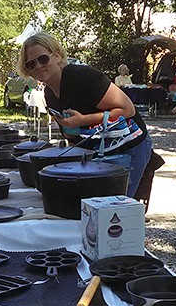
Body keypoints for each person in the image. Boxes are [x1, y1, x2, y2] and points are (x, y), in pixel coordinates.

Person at [17, 32, 153, 198]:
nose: (38, 66)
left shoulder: (83, 77)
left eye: (43, 59)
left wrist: (83, 120)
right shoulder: (49, 94)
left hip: (129, 146)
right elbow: (73, 136)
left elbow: (127, 110)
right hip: (97, 150)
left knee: (113, 207)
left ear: (58, 57)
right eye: (30, 64)